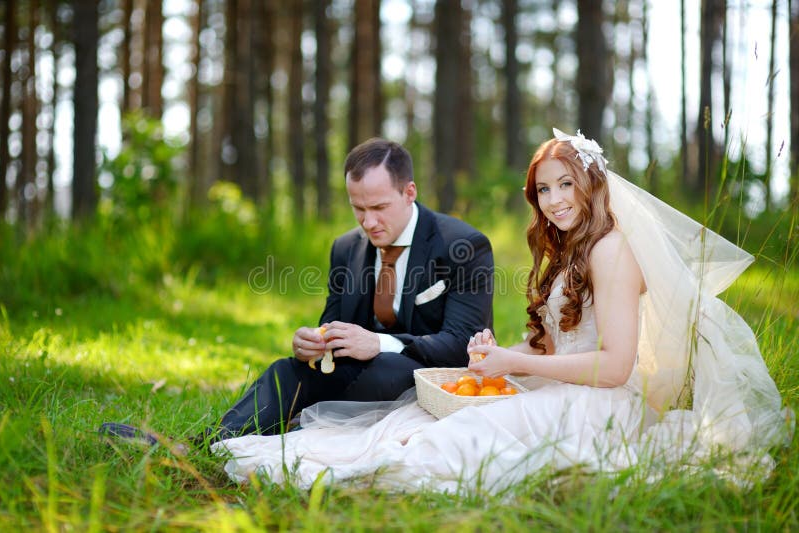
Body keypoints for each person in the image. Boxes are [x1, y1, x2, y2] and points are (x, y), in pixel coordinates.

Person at [209, 129, 791, 494]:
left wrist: (511, 360)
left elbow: (614, 368)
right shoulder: (571, 251)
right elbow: (559, 345)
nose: (556, 200)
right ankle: (223, 441)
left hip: (601, 403)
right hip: (561, 387)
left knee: (445, 440)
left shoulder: (611, 250)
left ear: (592, 184)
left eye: (567, 185)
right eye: (544, 190)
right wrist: (511, 358)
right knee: (418, 422)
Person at [100, 137, 494, 445]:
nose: (368, 222)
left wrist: (379, 343)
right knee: (287, 369)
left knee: (383, 369)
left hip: (426, 376)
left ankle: (297, 419)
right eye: (358, 208)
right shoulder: (346, 247)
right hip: (360, 370)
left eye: (379, 207)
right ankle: (201, 445)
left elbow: (463, 344)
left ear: (409, 192)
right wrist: (315, 342)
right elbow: (334, 322)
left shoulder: (463, 245)